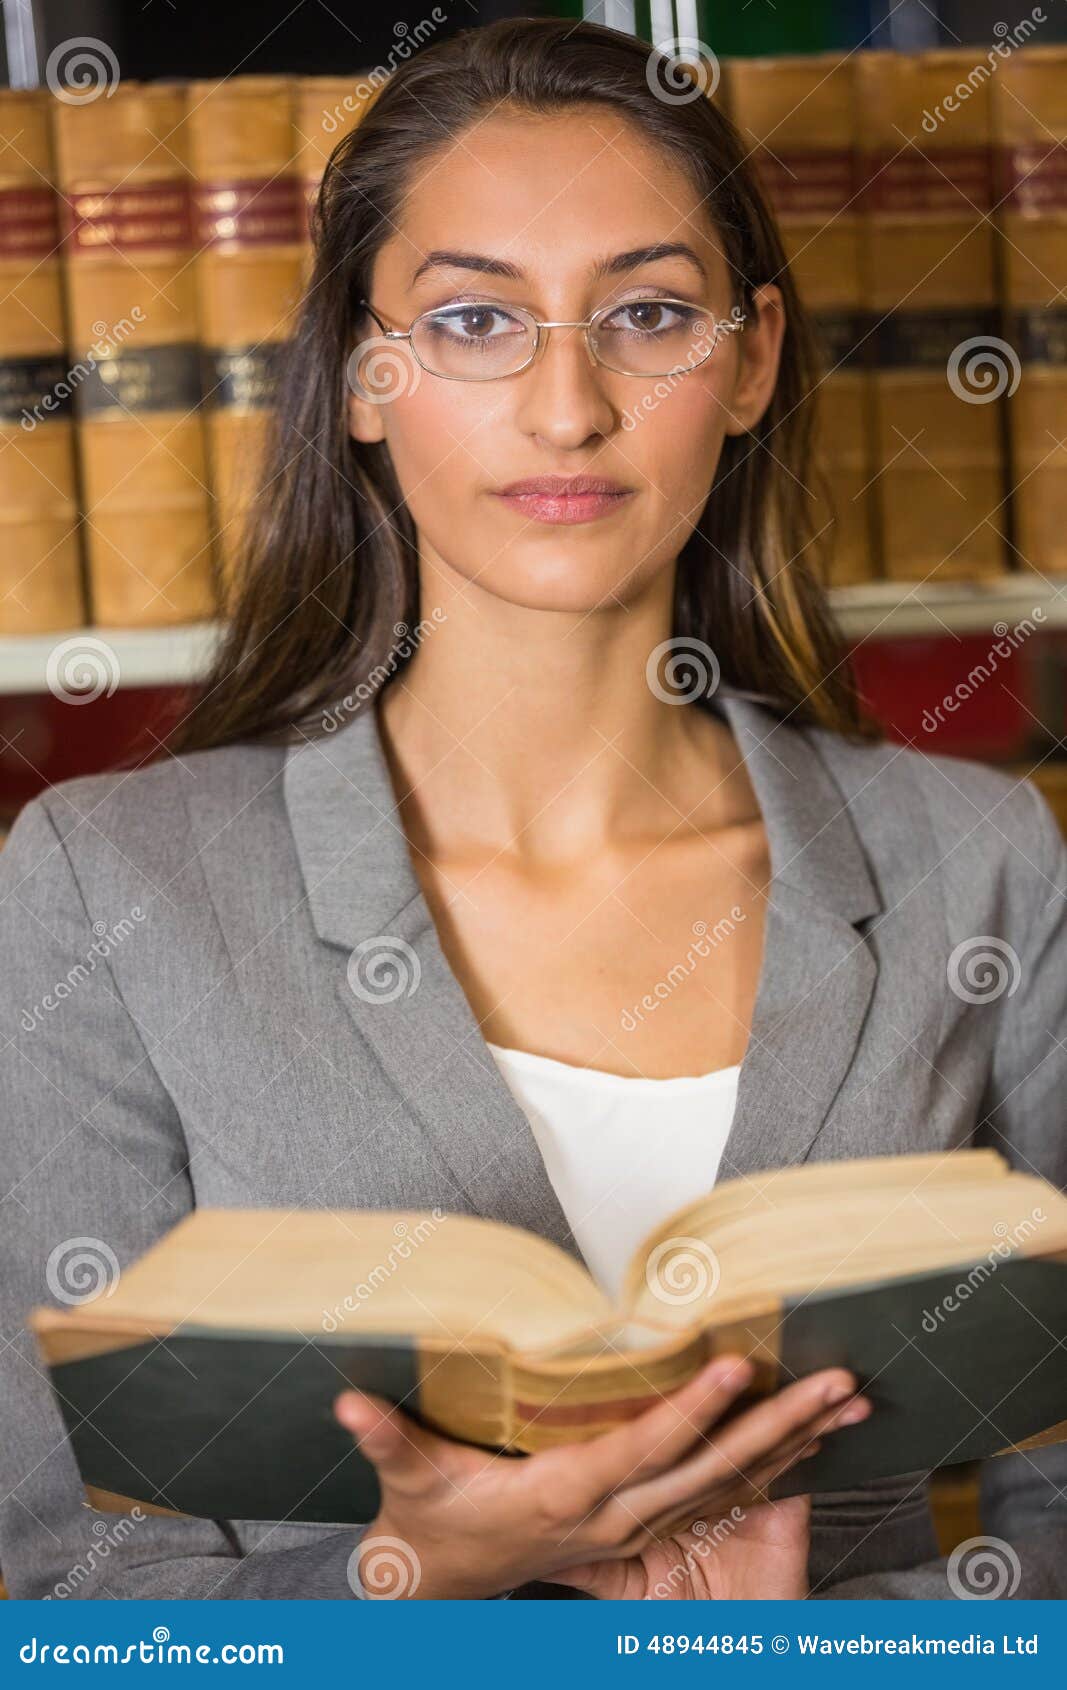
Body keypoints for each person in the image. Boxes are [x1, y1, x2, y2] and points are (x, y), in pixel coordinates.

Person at [1, 18, 1064, 1602]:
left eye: (647, 314)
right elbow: (56, 1592)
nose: (567, 408)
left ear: (752, 357)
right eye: (476, 320)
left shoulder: (982, 863)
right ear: (364, 377)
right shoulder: (104, 886)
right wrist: (406, 1574)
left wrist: (802, 1647)